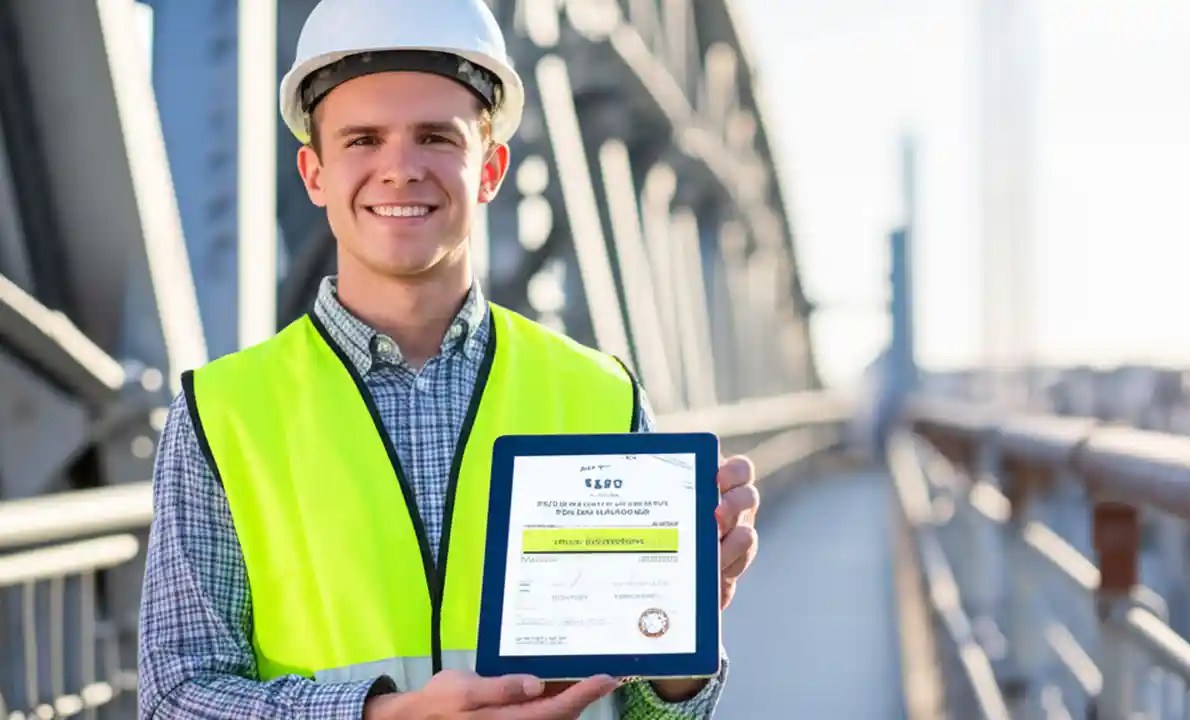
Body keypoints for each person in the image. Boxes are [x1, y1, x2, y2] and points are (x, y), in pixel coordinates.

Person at [136, 0, 761, 717]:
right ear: (313, 174)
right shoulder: (221, 414)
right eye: (363, 140)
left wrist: (685, 643)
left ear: (490, 169)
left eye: (436, 137)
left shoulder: (602, 393)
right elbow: (178, 699)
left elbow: (654, 714)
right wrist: (381, 715)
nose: (399, 169)